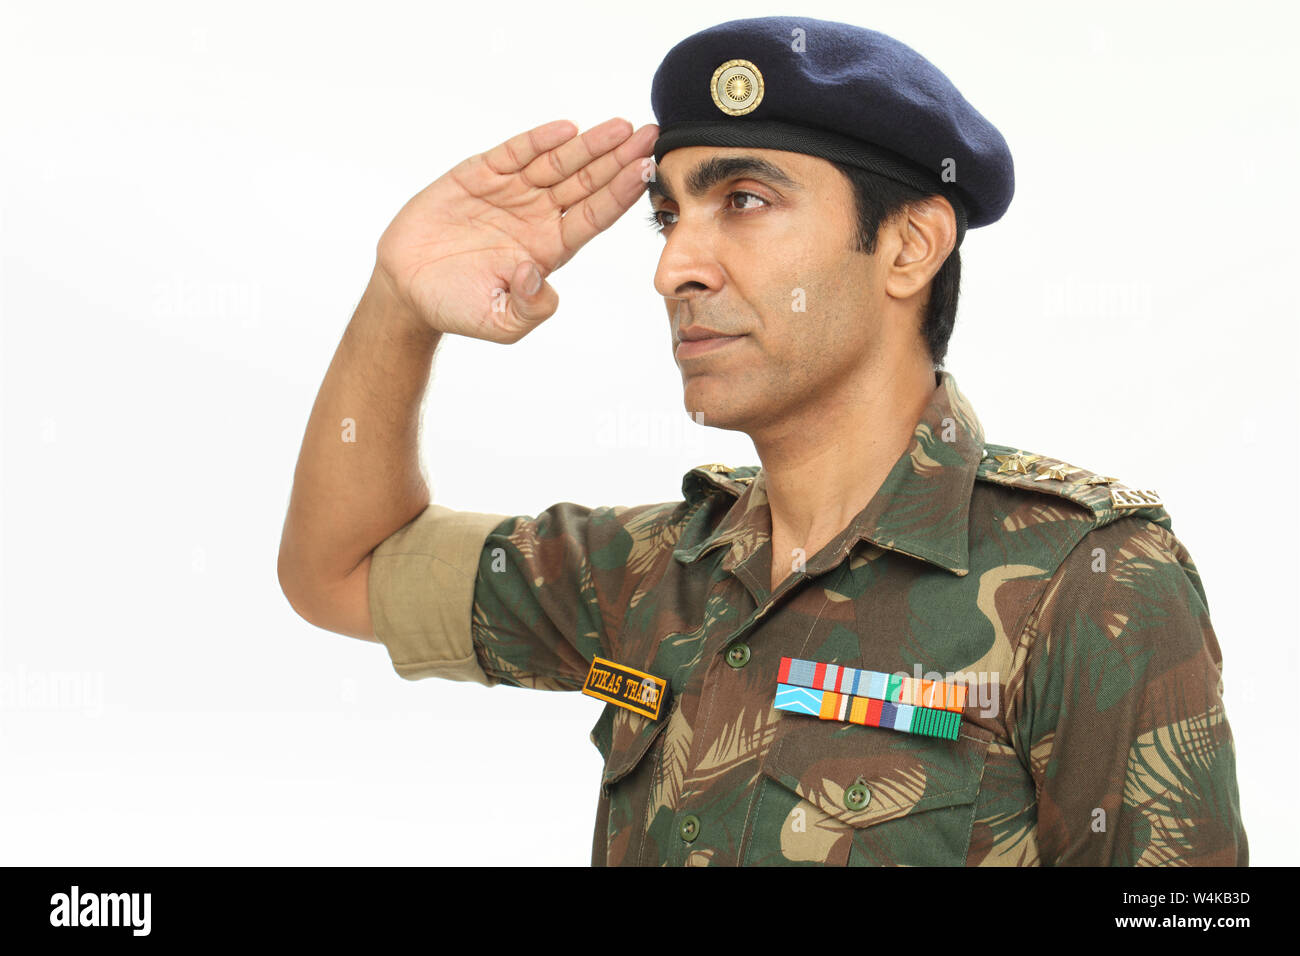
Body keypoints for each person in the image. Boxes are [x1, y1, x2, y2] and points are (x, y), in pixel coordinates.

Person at [277, 16, 1248, 866]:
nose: (673, 267)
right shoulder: (651, 572)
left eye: (742, 199)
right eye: (668, 214)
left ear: (909, 245)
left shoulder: (1090, 578)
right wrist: (399, 306)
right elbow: (341, 568)